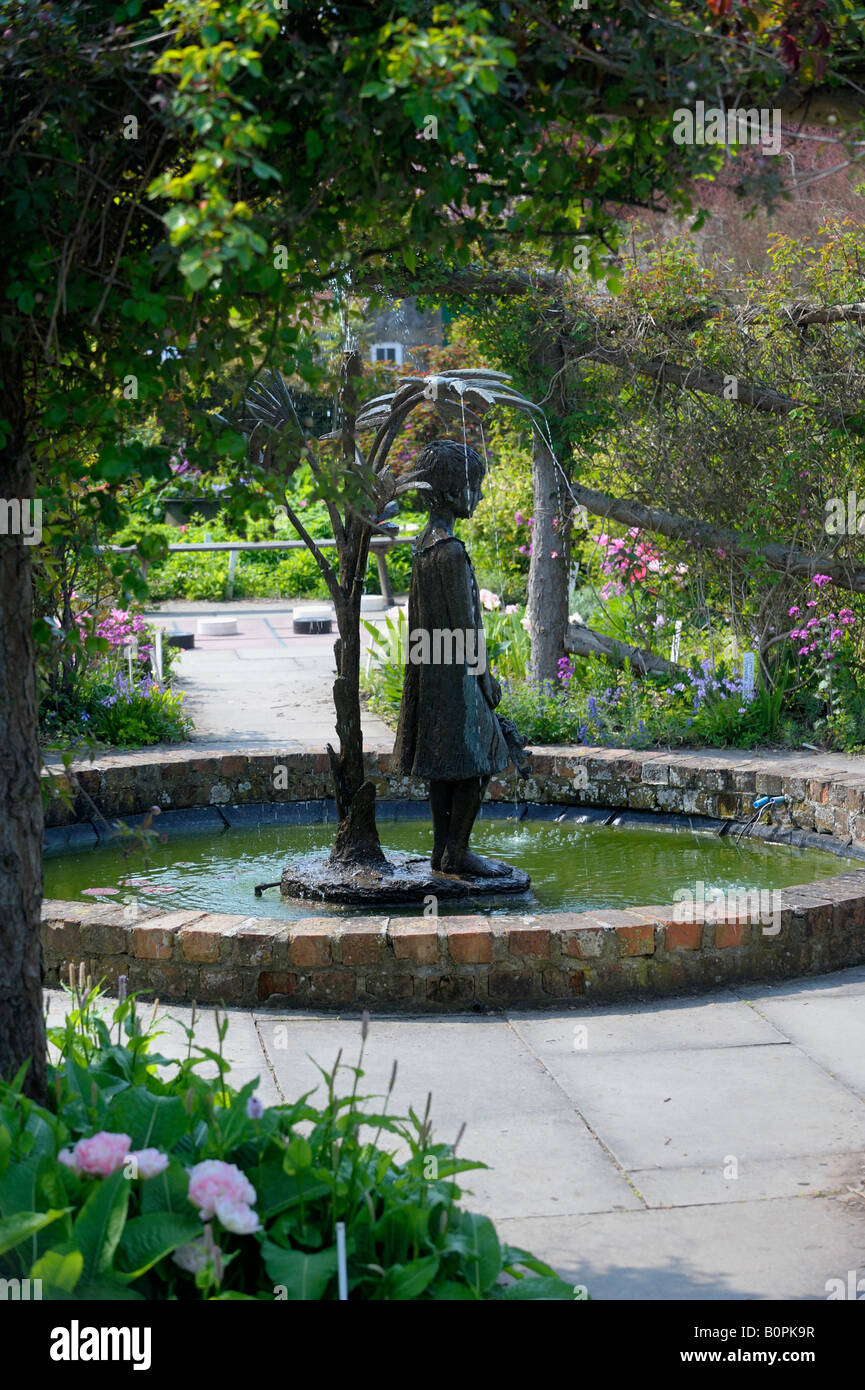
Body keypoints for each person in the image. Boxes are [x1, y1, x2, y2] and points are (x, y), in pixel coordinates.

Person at [391, 438, 528, 877]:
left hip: (432, 666)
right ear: (454, 491)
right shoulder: (449, 551)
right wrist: (484, 678)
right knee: (479, 758)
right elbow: (467, 625)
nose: (482, 496)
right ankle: (458, 852)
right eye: (477, 487)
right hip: (455, 674)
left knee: (447, 764)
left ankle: (444, 852)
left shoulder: (424, 543)